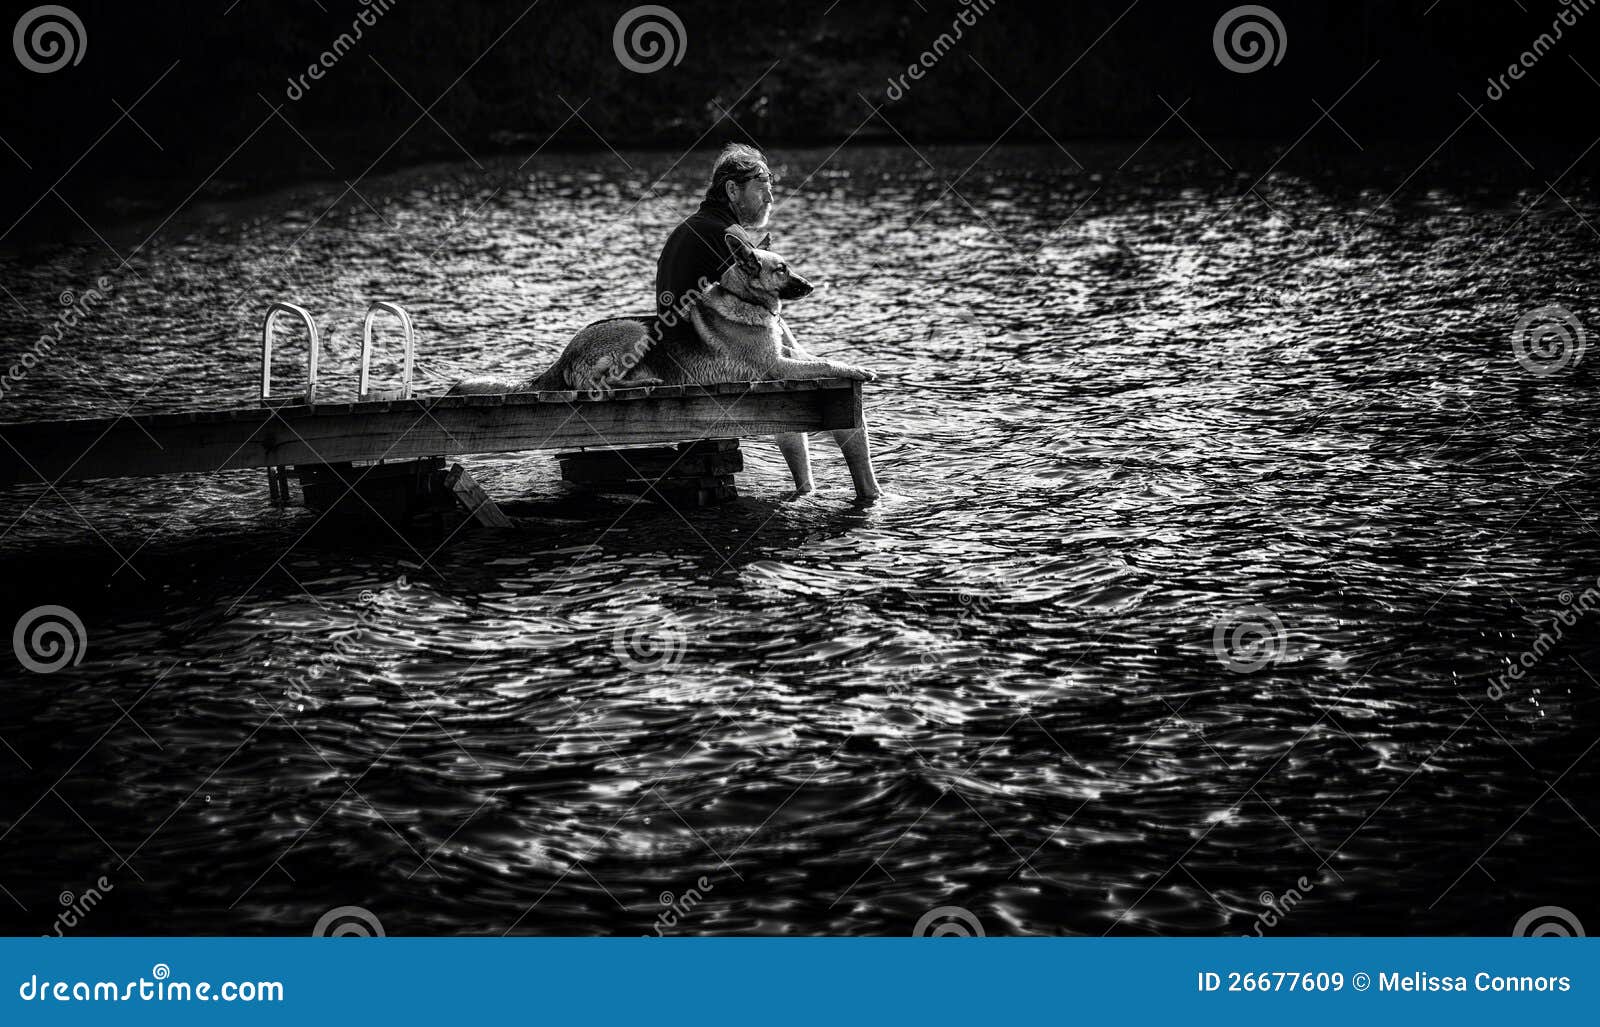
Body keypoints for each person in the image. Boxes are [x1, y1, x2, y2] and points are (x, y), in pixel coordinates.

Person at [653, 143, 775, 343]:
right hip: (705, 360)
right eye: (761, 189)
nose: (770, 198)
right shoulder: (728, 235)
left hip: (673, 352)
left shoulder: (689, 228)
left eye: (770, 189)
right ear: (732, 190)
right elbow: (766, 312)